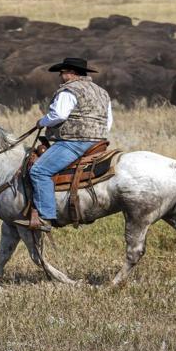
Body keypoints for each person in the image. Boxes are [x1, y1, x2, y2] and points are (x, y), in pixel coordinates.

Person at [25, 56, 113, 231]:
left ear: (71, 73)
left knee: (39, 171)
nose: (60, 75)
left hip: (74, 142)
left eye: (62, 72)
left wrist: (41, 122)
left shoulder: (68, 91)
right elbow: (108, 121)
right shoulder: (101, 91)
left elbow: (59, 115)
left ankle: (46, 217)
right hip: (99, 142)